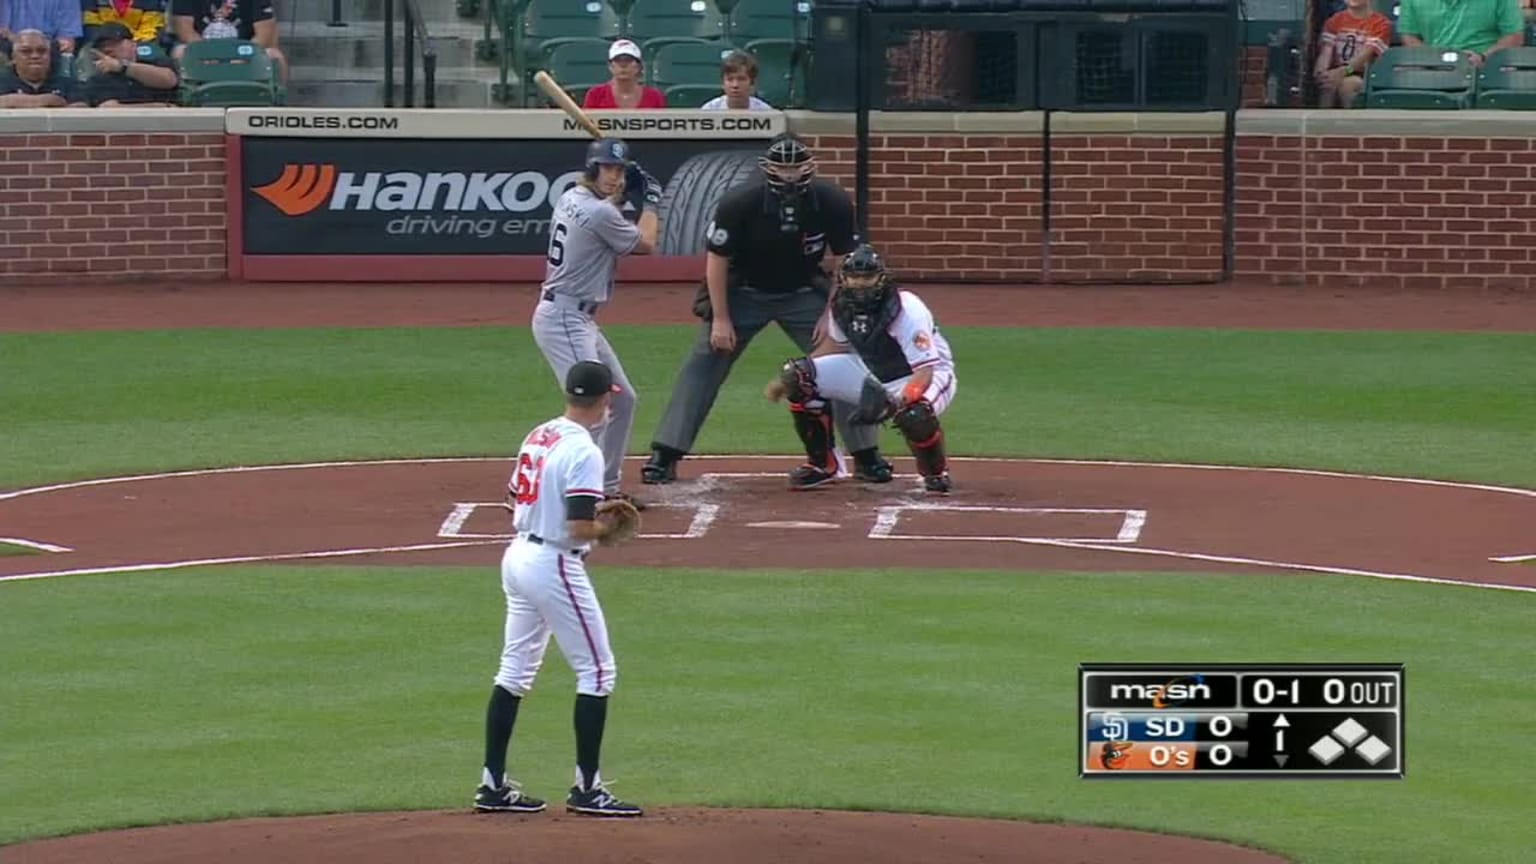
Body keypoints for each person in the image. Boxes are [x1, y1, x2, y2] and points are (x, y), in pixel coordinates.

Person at [641, 132, 889, 489]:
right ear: (768, 168)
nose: (789, 175)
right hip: (744, 291)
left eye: (796, 166)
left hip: (803, 291)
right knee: (704, 360)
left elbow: (844, 262)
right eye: (781, 167)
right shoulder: (740, 201)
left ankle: (867, 455)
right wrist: (722, 319)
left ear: (809, 166)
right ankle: (665, 454)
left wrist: (830, 317)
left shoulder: (831, 200)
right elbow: (717, 261)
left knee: (843, 358)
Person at [475, 360, 644, 818]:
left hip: (517, 557)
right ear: (605, 399)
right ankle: (587, 790)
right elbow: (577, 524)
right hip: (553, 563)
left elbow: (512, 497)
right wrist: (606, 528)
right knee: (598, 671)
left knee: (513, 671)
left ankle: (492, 786)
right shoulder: (586, 452)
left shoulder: (541, 433)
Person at [531, 137, 661, 509]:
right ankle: (539, 480)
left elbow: (604, 214)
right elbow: (647, 243)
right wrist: (651, 200)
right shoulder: (600, 213)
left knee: (623, 400)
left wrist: (622, 195)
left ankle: (605, 485)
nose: (614, 176)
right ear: (593, 169)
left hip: (577, 317)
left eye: (619, 169)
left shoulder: (572, 196)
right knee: (593, 408)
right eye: (608, 168)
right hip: (564, 319)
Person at [766, 244, 957, 494]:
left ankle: (935, 473)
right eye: (854, 277)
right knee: (799, 376)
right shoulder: (841, 305)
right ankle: (823, 464)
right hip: (873, 370)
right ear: (843, 279)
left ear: (881, 278)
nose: (860, 284)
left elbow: (925, 371)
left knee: (915, 416)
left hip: (925, 374)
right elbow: (836, 346)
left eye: (867, 277)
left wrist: (895, 403)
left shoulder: (906, 308)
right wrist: (785, 381)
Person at [170, 0, 287, 83]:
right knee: (179, 52)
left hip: (245, 55)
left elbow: (264, 36)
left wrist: (237, 58)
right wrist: (208, 55)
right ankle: (185, 105)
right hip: (203, 53)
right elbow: (185, 31)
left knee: (275, 55)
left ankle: (275, 106)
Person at [1314, 0, 1394, 108]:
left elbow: (1365, 56)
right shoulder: (1334, 21)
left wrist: (1345, 71)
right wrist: (1322, 72)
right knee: (1327, 84)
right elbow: (1326, 51)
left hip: (1366, 76)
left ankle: (1351, 122)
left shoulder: (1381, 23)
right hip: (1337, 71)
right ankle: (1320, 122)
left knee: (1348, 85)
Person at [1397, 0, 1524, 67]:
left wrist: (1483, 57)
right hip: (1431, 66)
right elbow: (1409, 36)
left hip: (1485, 66)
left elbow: (1514, 36)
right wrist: (1433, 59)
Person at [80, 21, 179, 106]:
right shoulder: (99, 80)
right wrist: (158, 107)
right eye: (102, 47)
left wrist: (122, 67)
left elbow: (170, 80)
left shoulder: (156, 63)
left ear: (133, 45)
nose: (107, 49)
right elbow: (109, 109)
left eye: (115, 43)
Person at [0, 28, 78, 107]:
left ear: (50, 56)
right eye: (26, 51)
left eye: (42, 51)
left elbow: (80, 108)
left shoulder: (69, 85)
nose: (35, 56)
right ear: (13, 57)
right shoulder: (2, 82)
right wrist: (49, 100)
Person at [582, 38, 665, 109]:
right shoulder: (595, 95)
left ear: (638, 66)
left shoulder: (654, 97)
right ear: (610, 66)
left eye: (628, 60)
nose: (623, 65)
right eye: (618, 60)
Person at [0, 0, 81, 59]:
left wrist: (39, 46)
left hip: (49, 51)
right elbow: (3, 31)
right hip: (10, 47)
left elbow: (67, 42)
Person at [700, 50, 773, 110]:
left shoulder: (765, 111)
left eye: (741, 79)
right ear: (723, 83)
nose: (735, 85)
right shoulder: (709, 110)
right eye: (730, 79)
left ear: (752, 83)